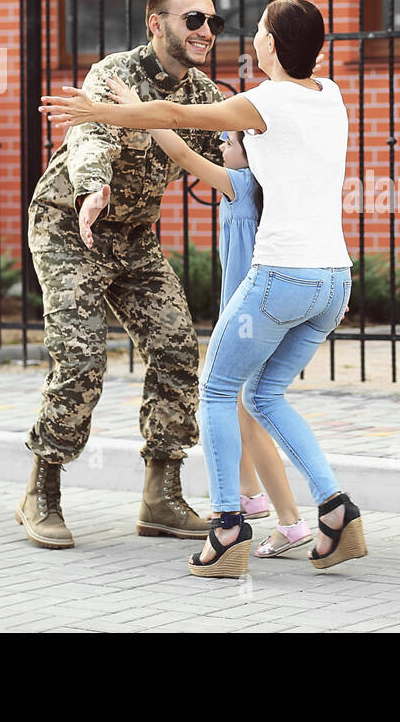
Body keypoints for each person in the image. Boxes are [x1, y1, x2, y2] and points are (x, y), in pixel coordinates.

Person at [42, 0, 365, 579]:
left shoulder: (263, 103)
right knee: (265, 397)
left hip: (282, 277)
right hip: (333, 282)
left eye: (260, 30)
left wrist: (101, 109)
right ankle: (336, 511)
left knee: (217, 391)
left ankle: (227, 529)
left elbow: (181, 120)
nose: (247, 36)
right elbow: (187, 134)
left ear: (272, 45)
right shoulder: (332, 94)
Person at [16, 0, 226, 550]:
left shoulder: (203, 95)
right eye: (193, 21)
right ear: (157, 25)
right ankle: (43, 489)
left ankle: (161, 496)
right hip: (69, 227)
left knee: (178, 350)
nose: (206, 31)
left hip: (134, 238)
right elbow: (92, 136)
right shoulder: (114, 74)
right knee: (83, 357)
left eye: (213, 22)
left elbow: (227, 155)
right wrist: (93, 188)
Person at [100, 77, 313, 560]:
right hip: (258, 308)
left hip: (250, 311)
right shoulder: (268, 188)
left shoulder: (242, 184)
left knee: (246, 408)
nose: (221, 142)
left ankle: (290, 521)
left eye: (230, 139)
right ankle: (250, 494)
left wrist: (139, 108)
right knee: (244, 403)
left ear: (251, 152)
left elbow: (181, 154)